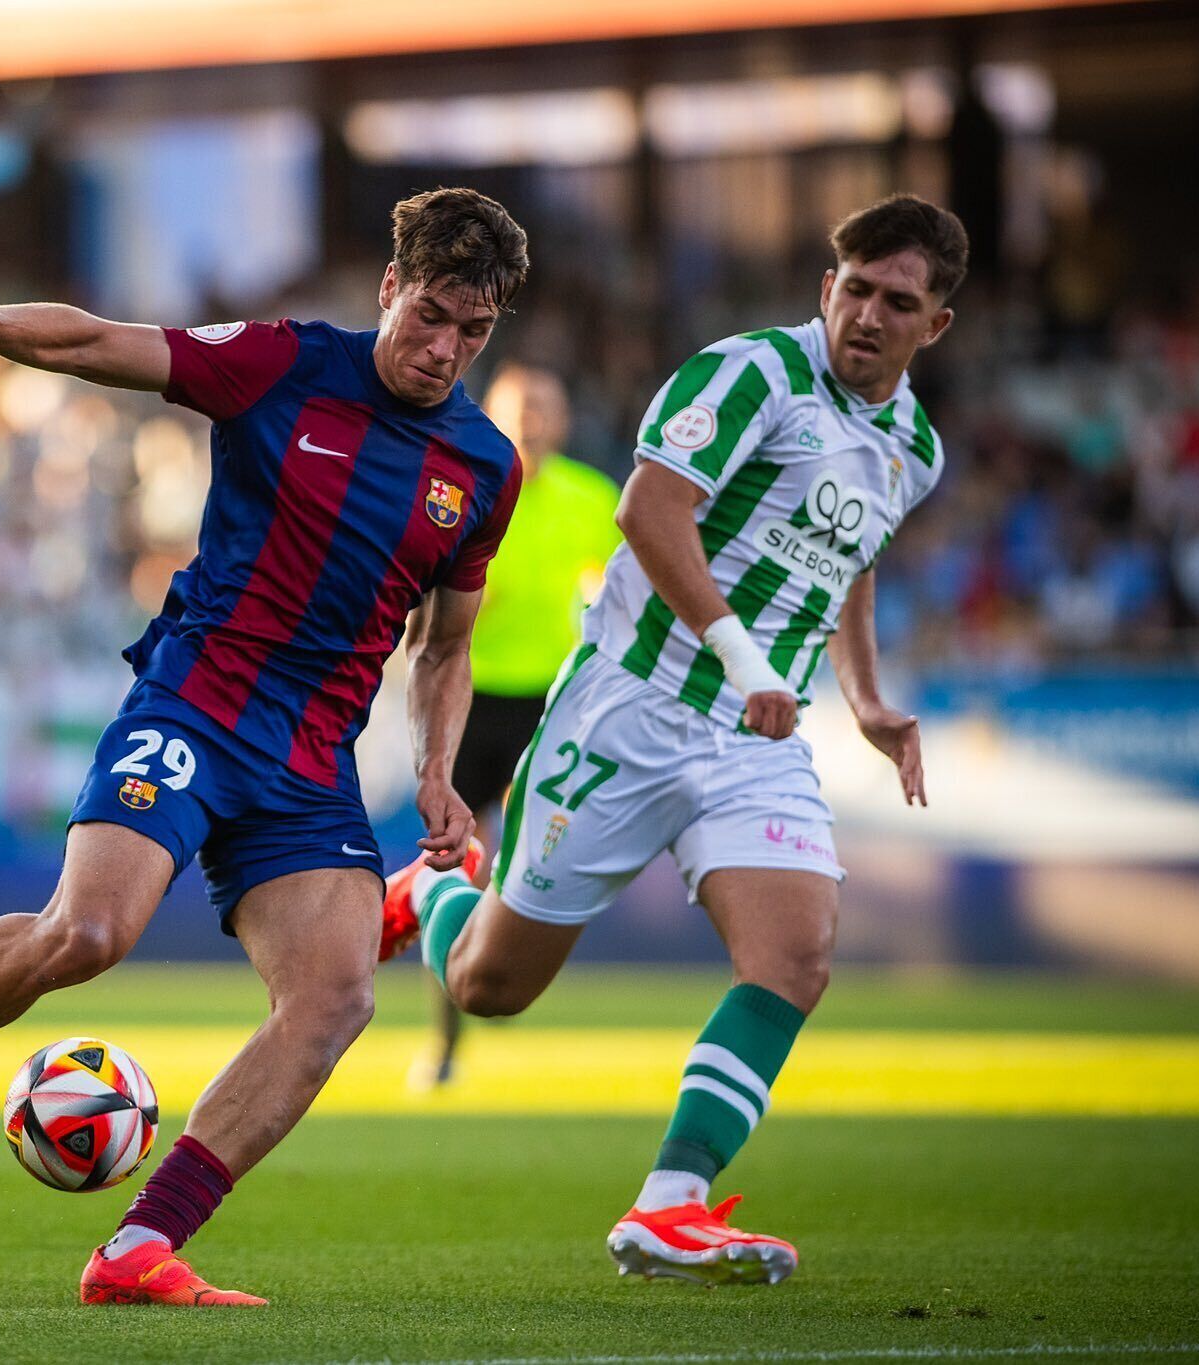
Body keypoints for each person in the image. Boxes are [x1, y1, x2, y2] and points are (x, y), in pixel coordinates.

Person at [0, 187, 530, 1307]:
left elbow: (445, 645)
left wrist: (436, 772)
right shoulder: (282, 363)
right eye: (430, 316)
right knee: (87, 932)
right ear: (388, 288)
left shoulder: (484, 467)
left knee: (334, 1001)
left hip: (309, 755)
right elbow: (99, 342)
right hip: (195, 705)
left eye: (473, 330)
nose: (445, 349)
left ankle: (138, 1248)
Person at [380, 193, 963, 1285]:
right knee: (489, 988)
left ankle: (669, 1204)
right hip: (629, 707)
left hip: (752, 739)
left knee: (796, 957)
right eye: (853, 290)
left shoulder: (914, 448)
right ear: (825, 288)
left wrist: (865, 696)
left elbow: (852, 560)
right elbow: (647, 511)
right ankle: (439, 893)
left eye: (897, 302)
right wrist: (745, 661)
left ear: (933, 325)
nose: (867, 316)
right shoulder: (750, 375)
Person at [405, 365, 621, 1089]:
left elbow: (619, 592)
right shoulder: (461, 491)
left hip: (549, 704)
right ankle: (444, 1040)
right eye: (518, 409)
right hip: (465, 696)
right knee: (451, 862)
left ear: (562, 421)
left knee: (534, 859)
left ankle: (501, 975)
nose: (530, 422)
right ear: (493, 418)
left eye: (543, 409)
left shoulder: (594, 499)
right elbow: (414, 597)